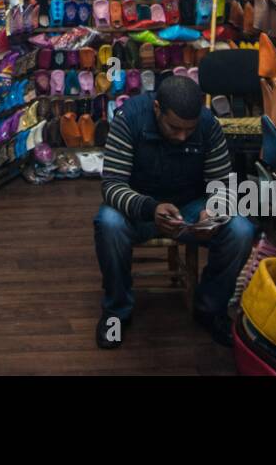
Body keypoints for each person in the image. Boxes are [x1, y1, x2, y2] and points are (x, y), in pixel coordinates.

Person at [93, 73, 256, 349]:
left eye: (188, 131)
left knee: (241, 230)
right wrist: (150, 208)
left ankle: (210, 308)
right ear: (157, 109)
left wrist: (212, 211)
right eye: (174, 128)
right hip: (140, 207)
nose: (182, 137)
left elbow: (223, 185)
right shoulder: (128, 118)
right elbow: (112, 185)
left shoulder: (208, 125)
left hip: (189, 207)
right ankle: (116, 311)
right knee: (108, 222)